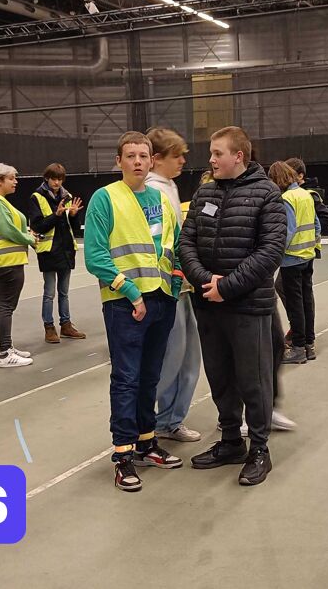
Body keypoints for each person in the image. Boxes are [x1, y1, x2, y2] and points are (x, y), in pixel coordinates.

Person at [179, 126, 286, 487]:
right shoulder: (204, 192)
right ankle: (230, 442)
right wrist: (204, 281)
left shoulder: (267, 195)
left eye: (217, 153)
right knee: (220, 378)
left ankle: (259, 449)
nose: (210, 159)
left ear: (238, 156)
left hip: (247, 307)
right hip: (208, 304)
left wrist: (229, 287)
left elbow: (270, 251)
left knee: (252, 380)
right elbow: (186, 242)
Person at [85, 131, 184, 492]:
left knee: (150, 376)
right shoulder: (104, 198)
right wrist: (131, 293)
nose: (138, 162)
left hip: (161, 300)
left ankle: (146, 442)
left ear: (152, 160)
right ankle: (123, 455)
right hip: (126, 304)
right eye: (131, 156)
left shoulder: (159, 198)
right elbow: (96, 257)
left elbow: (169, 248)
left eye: (144, 156)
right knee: (126, 378)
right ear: (119, 161)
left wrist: (172, 289)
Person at [144, 127, 203, 444]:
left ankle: (170, 418)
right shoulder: (153, 191)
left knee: (188, 357)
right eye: (175, 155)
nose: (182, 160)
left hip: (182, 286)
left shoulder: (170, 186)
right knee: (172, 357)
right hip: (168, 288)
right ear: (157, 159)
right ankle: (159, 420)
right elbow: (161, 244)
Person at [0, 163, 36, 368]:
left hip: (5, 261)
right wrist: (29, 239)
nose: (15, 181)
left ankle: (7, 347)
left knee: (6, 304)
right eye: (11, 178)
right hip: (5, 262)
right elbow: (7, 230)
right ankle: (4, 353)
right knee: (6, 306)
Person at [27, 163, 86, 343]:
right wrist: (57, 215)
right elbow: (37, 226)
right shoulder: (36, 197)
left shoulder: (67, 196)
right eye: (54, 178)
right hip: (49, 251)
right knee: (49, 292)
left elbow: (74, 229)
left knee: (64, 292)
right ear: (47, 178)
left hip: (66, 250)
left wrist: (74, 215)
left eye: (60, 179)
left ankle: (66, 325)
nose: (57, 182)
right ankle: (49, 327)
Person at [269, 161, 320, 365]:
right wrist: (313, 246)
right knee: (306, 301)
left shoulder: (286, 199)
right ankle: (309, 343)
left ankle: (298, 347)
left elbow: (286, 232)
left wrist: (274, 256)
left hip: (291, 259)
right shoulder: (306, 194)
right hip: (308, 256)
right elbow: (316, 225)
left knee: (296, 304)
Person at [287, 158, 328, 258]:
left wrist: (307, 236)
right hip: (298, 252)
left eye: (289, 174)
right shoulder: (289, 194)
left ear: (300, 176)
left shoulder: (310, 194)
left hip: (302, 252)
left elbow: (327, 218)